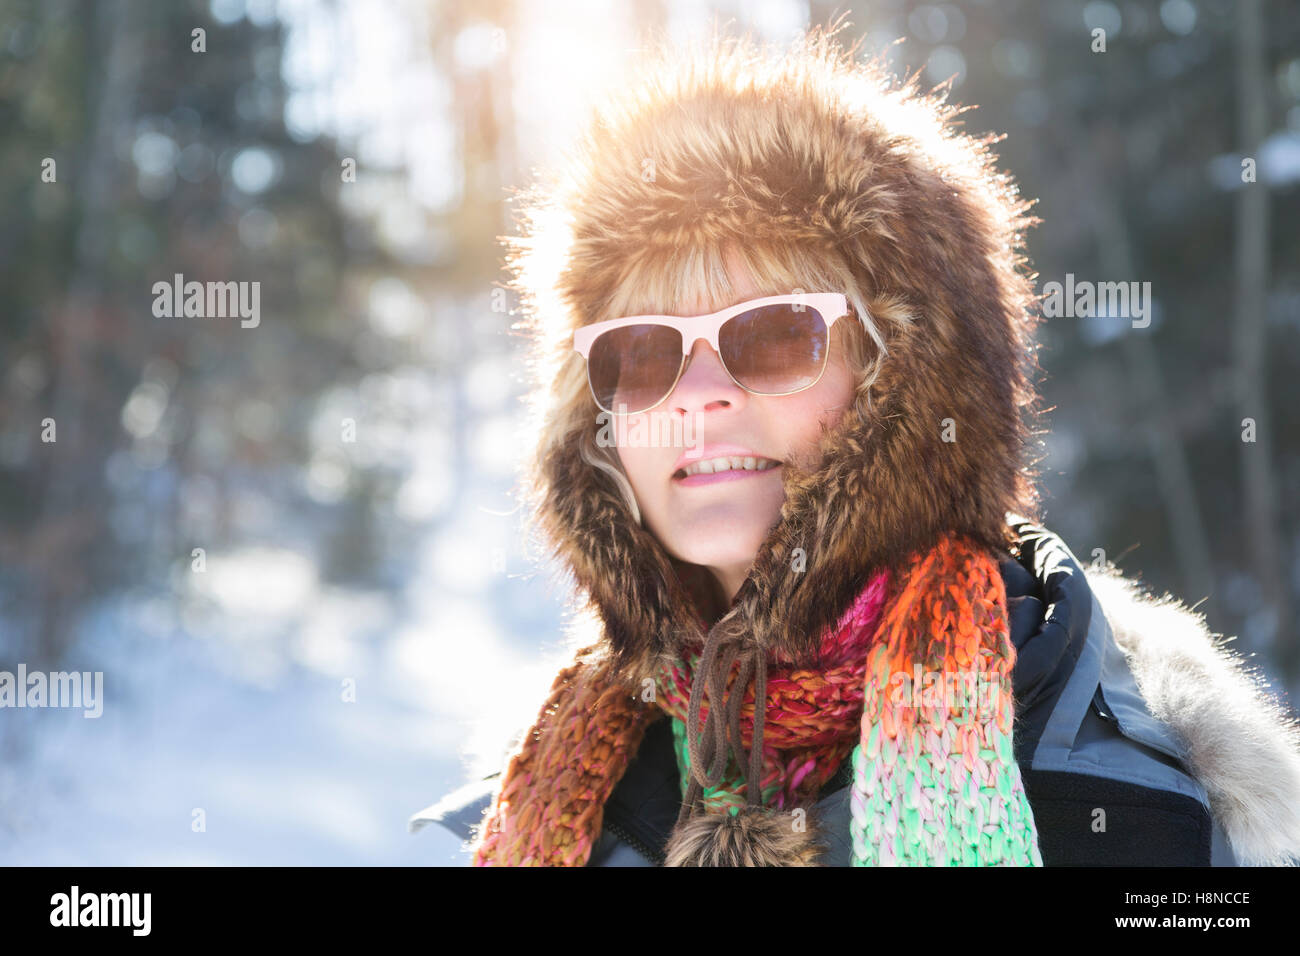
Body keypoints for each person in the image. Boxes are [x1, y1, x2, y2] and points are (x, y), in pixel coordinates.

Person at [410, 25, 1300, 866]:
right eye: (642, 354)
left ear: (903, 380)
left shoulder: (1144, 803)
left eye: (772, 336)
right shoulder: (545, 802)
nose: (700, 394)